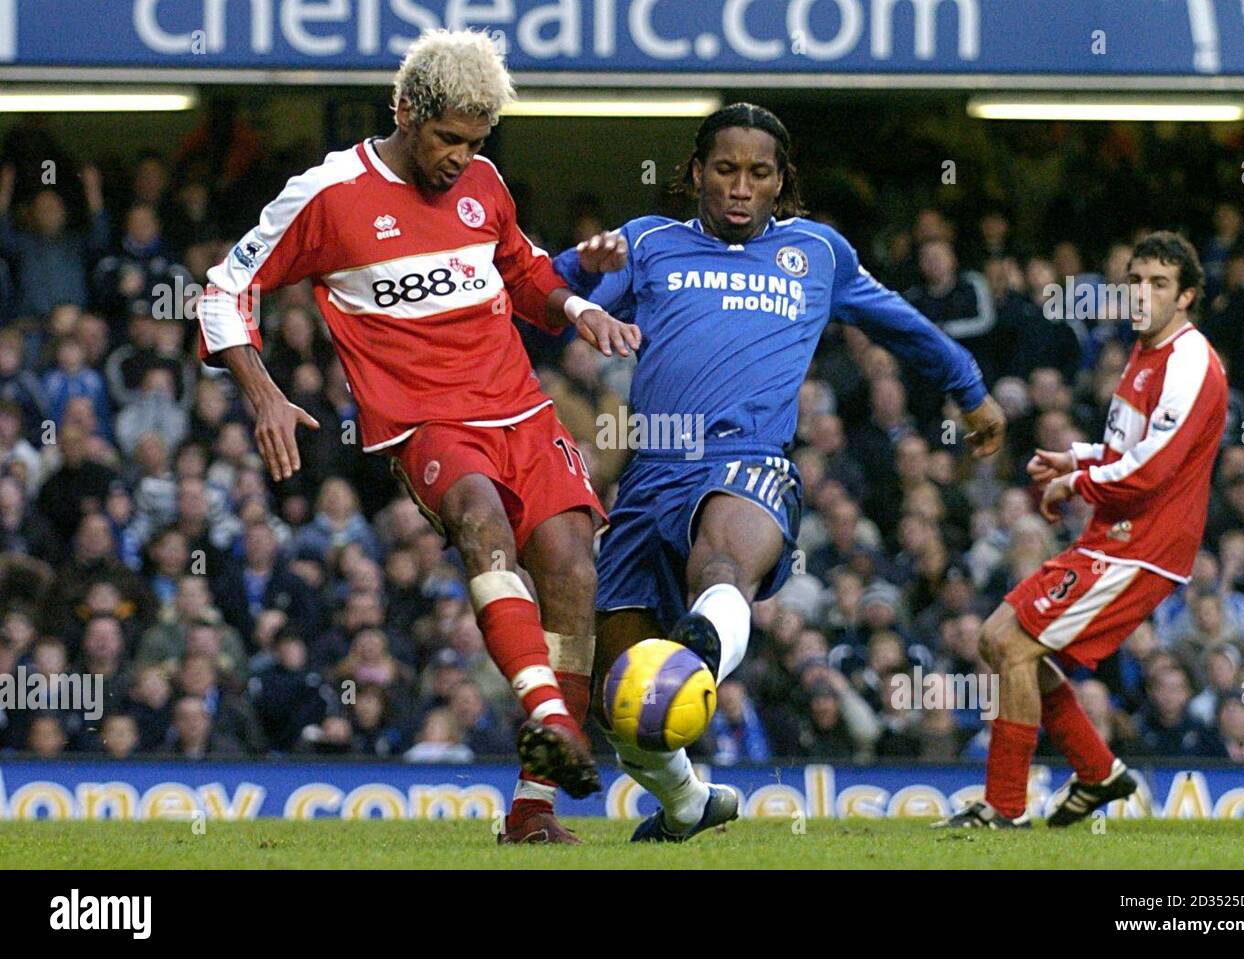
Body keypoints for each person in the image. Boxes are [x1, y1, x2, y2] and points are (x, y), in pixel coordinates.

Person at [195, 28, 640, 844]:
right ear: (404, 111)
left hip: (522, 411)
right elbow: (223, 293)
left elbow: (525, 273)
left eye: (474, 143)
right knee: (482, 522)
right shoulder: (329, 193)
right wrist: (261, 393)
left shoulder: (484, 183)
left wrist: (580, 306)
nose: (458, 159)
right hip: (427, 422)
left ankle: (532, 810)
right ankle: (551, 715)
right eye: (445, 139)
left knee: (575, 571)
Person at [554, 102, 1004, 841]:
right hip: (649, 477)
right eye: (725, 170)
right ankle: (689, 803)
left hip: (748, 461)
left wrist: (971, 388)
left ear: (780, 182)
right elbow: (545, 308)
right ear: (696, 172)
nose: (740, 187)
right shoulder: (647, 243)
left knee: (722, 562)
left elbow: (900, 323)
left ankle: (701, 652)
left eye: (758, 174)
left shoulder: (818, 253)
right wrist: (578, 267)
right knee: (624, 701)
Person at [936, 232, 1229, 829]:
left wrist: (1079, 485)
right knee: (999, 642)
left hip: (1143, 546)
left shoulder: (1190, 359)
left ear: (1188, 296)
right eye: (1135, 282)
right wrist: (1075, 459)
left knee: (1009, 644)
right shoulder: (1146, 352)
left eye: (1159, 284)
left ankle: (1005, 808)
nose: (1142, 295)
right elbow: (1129, 447)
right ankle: (1099, 774)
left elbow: (1155, 466)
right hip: (1116, 536)